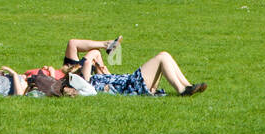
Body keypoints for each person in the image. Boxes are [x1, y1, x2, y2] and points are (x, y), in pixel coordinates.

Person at [78, 44, 207, 97]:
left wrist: (100, 65)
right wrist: (94, 58)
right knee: (162, 58)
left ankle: (187, 86)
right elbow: (90, 58)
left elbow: (95, 56)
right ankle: (182, 90)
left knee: (165, 54)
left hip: (132, 82)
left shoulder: (104, 76)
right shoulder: (89, 82)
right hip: (132, 84)